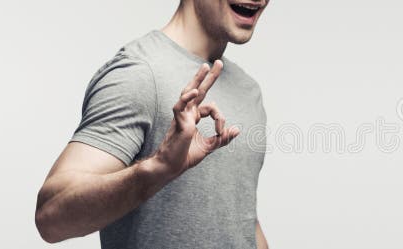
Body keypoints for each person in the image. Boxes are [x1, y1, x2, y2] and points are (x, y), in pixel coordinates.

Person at [34, 0, 270, 248]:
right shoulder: (140, 72)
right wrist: (159, 168)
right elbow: (51, 218)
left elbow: (240, 218)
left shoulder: (248, 91)